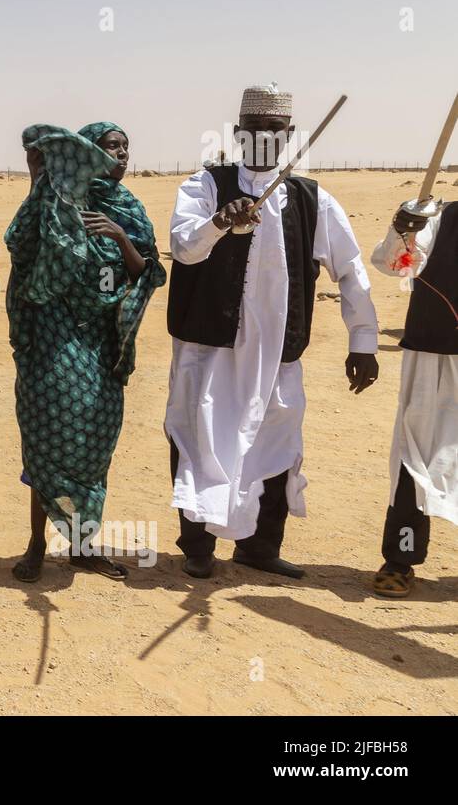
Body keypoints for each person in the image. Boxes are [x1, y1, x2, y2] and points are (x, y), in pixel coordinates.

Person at [166, 83, 380, 580]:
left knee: (275, 445)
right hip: (209, 350)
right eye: (255, 130)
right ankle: (197, 545)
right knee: (198, 440)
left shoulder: (311, 199)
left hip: (278, 353)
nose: (265, 138)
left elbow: (349, 271)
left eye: (275, 131)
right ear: (239, 134)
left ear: (289, 137)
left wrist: (363, 340)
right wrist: (221, 221)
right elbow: (183, 246)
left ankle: (260, 547)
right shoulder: (205, 186)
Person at [6, 123, 165, 583]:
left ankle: (82, 546)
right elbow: (21, 245)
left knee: (94, 448)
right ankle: (37, 545)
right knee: (45, 443)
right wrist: (40, 183)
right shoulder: (59, 197)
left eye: (125, 146)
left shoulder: (127, 208)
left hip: (101, 346)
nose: (122, 154)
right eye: (111, 146)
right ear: (89, 154)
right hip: (54, 340)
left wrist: (119, 237)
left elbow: (147, 273)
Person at [368, 197, 458, 597]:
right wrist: (405, 230)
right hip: (434, 352)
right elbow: (395, 265)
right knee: (414, 454)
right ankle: (401, 558)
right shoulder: (440, 219)